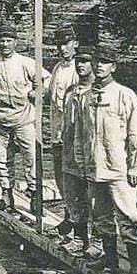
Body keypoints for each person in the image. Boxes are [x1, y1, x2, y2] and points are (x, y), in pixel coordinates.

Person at [80, 47, 137, 274]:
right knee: (101, 218)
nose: (100, 66)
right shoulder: (86, 96)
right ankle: (110, 262)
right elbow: (82, 134)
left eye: (106, 62)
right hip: (94, 168)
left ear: (113, 67)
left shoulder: (124, 94)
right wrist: (83, 163)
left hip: (119, 169)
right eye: (97, 61)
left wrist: (136, 166)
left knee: (128, 218)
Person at [0, 26, 49, 211]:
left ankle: (34, 194)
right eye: (2, 41)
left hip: (23, 117)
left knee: (31, 157)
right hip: (0, 117)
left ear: (15, 42)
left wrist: (36, 92)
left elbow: (46, 79)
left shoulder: (26, 63)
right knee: (3, 158)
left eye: (8, 40)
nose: (5, 44)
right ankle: (6, 194)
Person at [55, 45, 95, 255]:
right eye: (78, 61)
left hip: (92, 156)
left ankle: (96, 245)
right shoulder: (71, 92)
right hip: (71, 152)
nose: (80, 65)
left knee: (94, 200)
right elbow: (66, 124)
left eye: (85, 62)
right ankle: (79, 239)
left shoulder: (96, 93)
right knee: (74, 197)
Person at [47, 28, 81, 231]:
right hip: (56, 131)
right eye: (59, 44)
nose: (62, 48)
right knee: (60, 175)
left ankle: (78, 224)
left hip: (73, 134)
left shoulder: (80, 69)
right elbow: (51, 96)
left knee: (74, 178)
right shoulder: (58, 68)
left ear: (74, 44)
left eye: (67, 43)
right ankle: (69, 215)